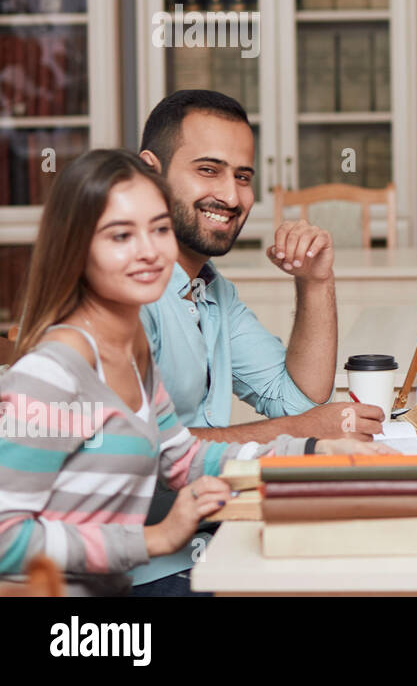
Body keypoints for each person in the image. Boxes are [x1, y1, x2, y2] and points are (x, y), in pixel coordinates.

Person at [0, 150, 387, 596]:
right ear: (76, 248)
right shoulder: (56, 372)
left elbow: (183, 459)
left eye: (159, 229)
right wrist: (154, 539)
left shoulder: (131, 355)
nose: (149, 251)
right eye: (121, 235)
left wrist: (315, 451)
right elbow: (7, 538)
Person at [133, 90, 383, 593]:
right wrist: (304, 436)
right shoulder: (128, 290)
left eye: (243, 176)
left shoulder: (211, 289)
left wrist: (315, 282)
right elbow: (146, 456)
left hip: (219, 535)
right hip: (146, 570)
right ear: (149, 174)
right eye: (209, 170)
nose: (231, 196)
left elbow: (297, 397)